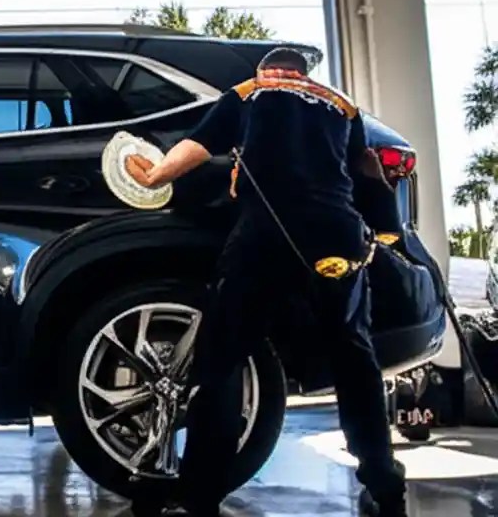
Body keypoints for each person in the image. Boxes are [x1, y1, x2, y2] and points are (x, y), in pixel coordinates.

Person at [124, 47, 406, 516]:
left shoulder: (251, 92)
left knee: (223, 360)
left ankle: (200, 493)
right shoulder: (341, 104)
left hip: (266, 235)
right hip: (338, 238)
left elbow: (196, 147)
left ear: (267, 69)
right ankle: (384, 483)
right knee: (356, 363)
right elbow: (369, 171)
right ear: (303, 72)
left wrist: (154, 175)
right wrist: (385, 227)